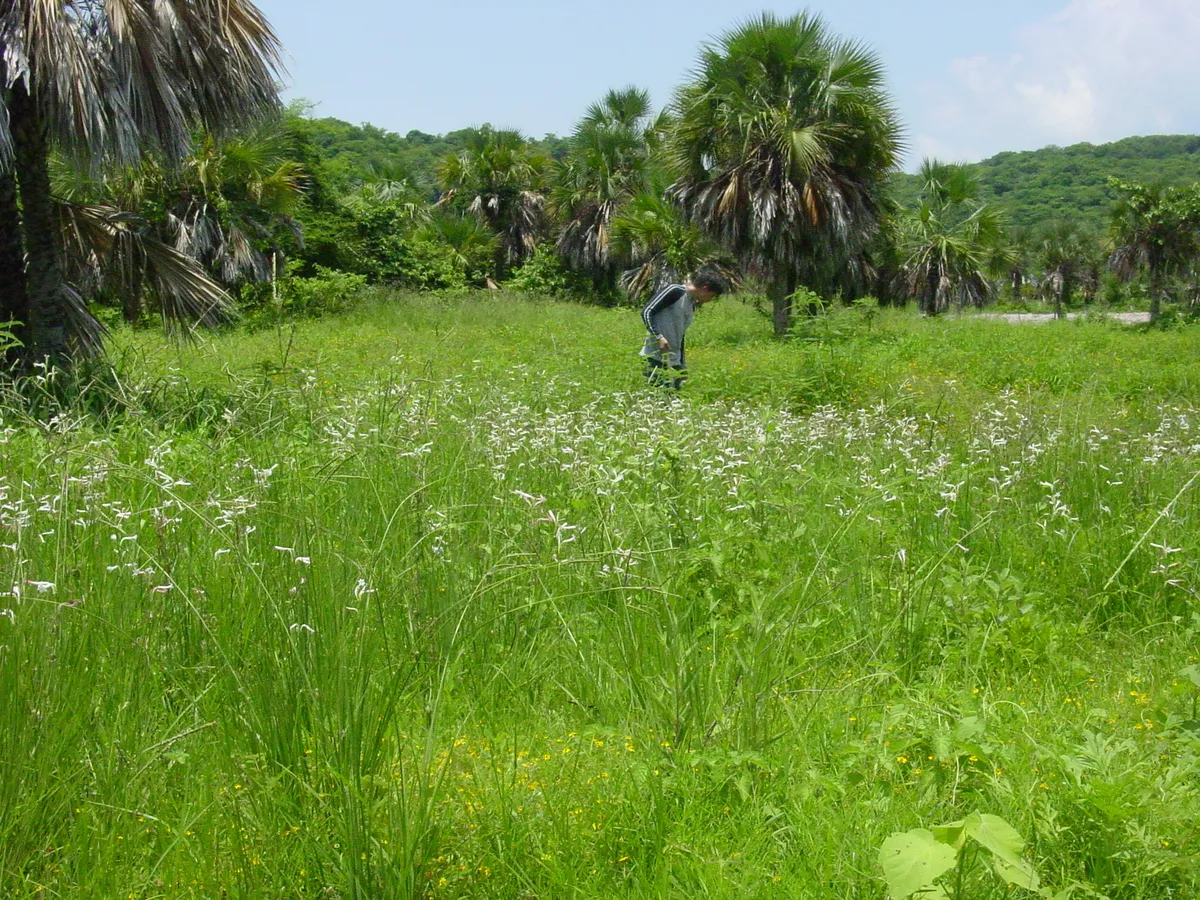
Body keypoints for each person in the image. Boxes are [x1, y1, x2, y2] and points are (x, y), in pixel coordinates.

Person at [639, 273, 727, 389]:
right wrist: (658, 337)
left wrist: (682, 362)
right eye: (711, 296)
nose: (710, 300)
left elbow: (680, 334)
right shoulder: (675, 291)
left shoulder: (691, 304)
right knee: (654, 395)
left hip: (674, 359)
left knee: (674, 397)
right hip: (655, 357)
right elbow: (647, 312)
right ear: (704, 289)